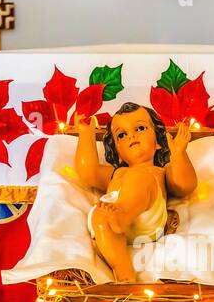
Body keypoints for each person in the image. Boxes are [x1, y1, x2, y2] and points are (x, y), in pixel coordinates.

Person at [74, 103, 197, 282]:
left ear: (158, 142)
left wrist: (179, 154)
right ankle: (124, 273)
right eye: (121, 135)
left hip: (145, 221)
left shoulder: (158, 172)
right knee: (99, 216)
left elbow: (185, 185)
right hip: (112, 217)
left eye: (140, 128)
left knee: (138, 175)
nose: (131, 135)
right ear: (118, 153)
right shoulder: (116, 173)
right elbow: (88, 172)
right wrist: (86, 134)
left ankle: (123, 214)